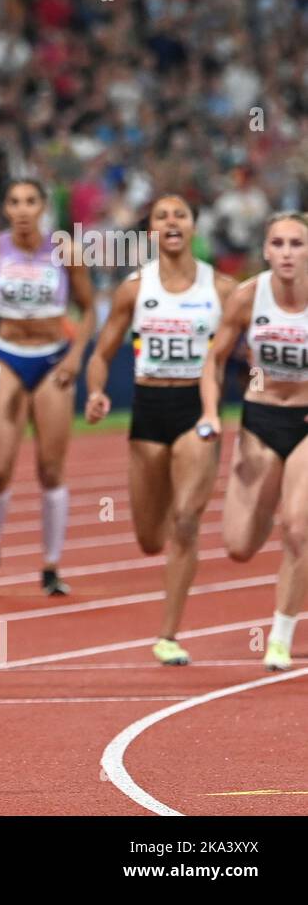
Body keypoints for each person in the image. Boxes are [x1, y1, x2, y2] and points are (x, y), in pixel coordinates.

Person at [85, 195, 235, 665]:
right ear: (151, 230)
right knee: (150, 538)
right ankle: (171, 510)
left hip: (198, 406)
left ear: (194, 226)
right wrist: (95, 392)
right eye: (162, 217)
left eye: (181, 215)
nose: (172, 222)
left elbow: (257, 345)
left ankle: (168, 634)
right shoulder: (135, 289)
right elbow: (102, 353)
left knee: (187, 523)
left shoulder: (224, 289)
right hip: (149, 410)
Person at [0, 179, 96, 595]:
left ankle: (51, 566)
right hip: (7, 356)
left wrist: (76, 357)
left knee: (51, 468)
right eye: (14, 202)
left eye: (30, 202)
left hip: (53, 357)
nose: (22, 210)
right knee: (0, 468)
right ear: (5, 209)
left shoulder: (64, 251)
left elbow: (90, 308)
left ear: (43, 207)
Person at [198, 211, 308, 671]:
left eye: (297, 244)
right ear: (265, 250)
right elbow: (213, 358)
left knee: (299, 529)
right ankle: (269, 504)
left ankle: (280, 635)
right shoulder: (248, 296)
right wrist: (209, 412)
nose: (287, 253)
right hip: (259, 418)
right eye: (278, 244)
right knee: (239, 546)